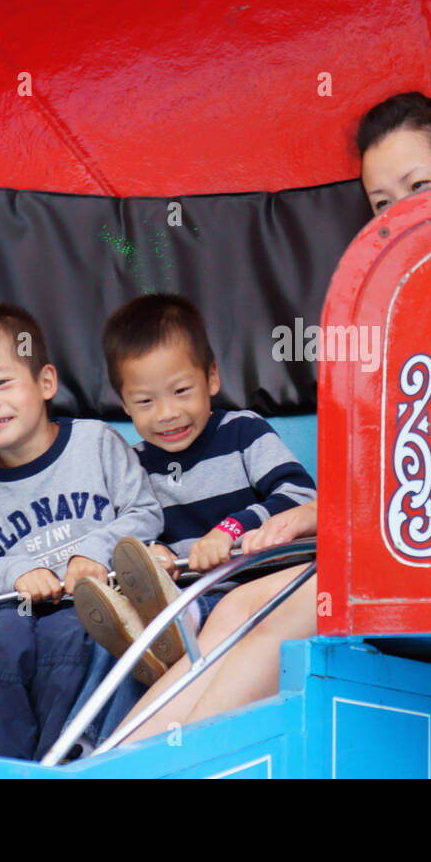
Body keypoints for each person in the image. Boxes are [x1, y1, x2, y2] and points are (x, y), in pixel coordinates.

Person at [110, 91, 431, 743]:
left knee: (278, 625)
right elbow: (391, 483)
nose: (401, 214)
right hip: (392, 550)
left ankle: (154, 762)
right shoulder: (402, 316)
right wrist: (318, 513)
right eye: (380, 204)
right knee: (235, 606)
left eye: (419, 185)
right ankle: (116, 759)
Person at [65, 294, 317, 742]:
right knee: (122, 633)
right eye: (145, 401)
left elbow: (300, 497)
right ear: (124, 404)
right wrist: (152, 555)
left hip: (249, 591)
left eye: (181, 391)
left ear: (212, 377)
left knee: (162, 630)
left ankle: (137, 747)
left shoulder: (244, 432)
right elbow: (132, 533)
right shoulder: (131, 466)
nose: (168, 414)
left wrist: (232, 528)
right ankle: (84, 744)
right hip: (179, 599)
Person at [0, 303, 163, 760]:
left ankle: (58, 763)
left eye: (1, 383)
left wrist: (97, 551)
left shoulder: (96, 443)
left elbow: (145, 511)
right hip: (17, 614)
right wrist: (18, 573)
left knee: (73, 634)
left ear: (45, 383)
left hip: (92, 606)